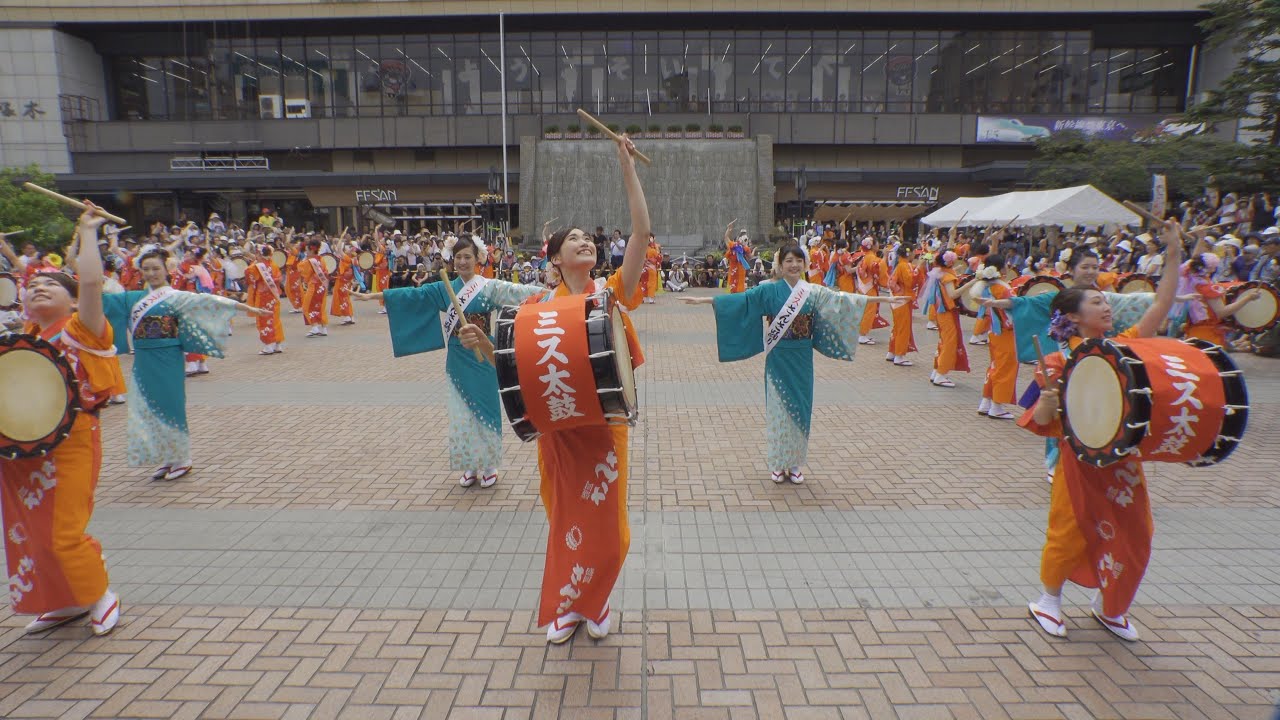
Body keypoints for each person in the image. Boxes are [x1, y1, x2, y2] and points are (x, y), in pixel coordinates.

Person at [456, 133, 649, 645]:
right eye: (574, 240)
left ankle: (597, 597)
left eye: (589, 238)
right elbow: (518, 365)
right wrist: (482, 345)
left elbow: (641, 231)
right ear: (558, 259)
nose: (586, 242)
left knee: (612, 529)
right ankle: (570, 603)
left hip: (606, 427)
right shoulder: (539, 309)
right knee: (566, 518)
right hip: (561, 430)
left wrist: (625, 166)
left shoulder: (611, 295)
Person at [1023, 220, 1184, 642]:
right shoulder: (1059, 362)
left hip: (1123, 461)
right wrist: (1050, 396)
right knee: (1069, 530)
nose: (1106, 305)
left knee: (1137, 533)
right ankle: (1049, 600)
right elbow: (1041, 422)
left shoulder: (1123, 347)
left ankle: (1111, 606)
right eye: (1097, 302)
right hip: (1079, 463)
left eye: (1105, 300)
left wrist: (1173, 253)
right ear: (1075, 317)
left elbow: (1161, 307)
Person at [3, 204, 127, 636]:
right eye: (32, 285)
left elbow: (91, 279)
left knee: (63, 530)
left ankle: (99, 593)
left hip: (71, 439)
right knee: (29, 532)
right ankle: (64, 599)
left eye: (49, 286)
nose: (37, 288)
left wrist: (89, 232)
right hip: (21, 448)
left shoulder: (81, 328)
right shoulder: (24, 341)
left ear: (72, 300)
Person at [686, 245, 903, 483]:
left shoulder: (812, 291)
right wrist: (704, 300)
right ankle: (779, 463)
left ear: (805, 263)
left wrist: (883, 298)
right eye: (789, 260)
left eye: (799, 260)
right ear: (780, 264)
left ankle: (796, 464)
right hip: (778, 356)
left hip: (801, 357)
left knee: (801, 408)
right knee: (778, 409)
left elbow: (843, 300)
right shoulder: (768, 291)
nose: (794, 265)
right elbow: (742, 301)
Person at [355, 235, 542, 488]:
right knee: (461, 411)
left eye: (468, 256)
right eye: (458, 257)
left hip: (484, 355)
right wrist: (374, 297)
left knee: (486, 408)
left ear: (478, 259)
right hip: (457, 356)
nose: (462, 261)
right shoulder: (445, 287)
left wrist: (553, 294)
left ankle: (488, 464)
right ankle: (468, 464)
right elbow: (413, 295)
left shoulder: (489, 287)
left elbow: (519, 293)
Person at [103, 246, 268, 481]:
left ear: (166, 270)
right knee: (150, 406)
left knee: (171, 404)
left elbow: (210, 301)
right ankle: (168, 456)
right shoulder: (132, 298)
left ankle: (183, 458)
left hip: (168, 355)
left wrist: (247, 308)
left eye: (156, 268)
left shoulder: (176, 296)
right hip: (143, 357)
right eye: (146, 269)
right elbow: (100, 302)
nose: (151, 273)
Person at [1173, 251, 1262, 346]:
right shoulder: (1208, 288)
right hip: (1207, 335)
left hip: (1195, 330)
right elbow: (1222, 312)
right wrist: (1248, 298)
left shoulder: (1191, 283)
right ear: (1211, 269)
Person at [920, 252, 975, 388]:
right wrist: (973, 282)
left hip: (941, 312)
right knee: (950, 342)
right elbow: (953, 294)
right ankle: (941, 374)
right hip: (947, 312)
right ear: (950, 262)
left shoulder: (939, 272)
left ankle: (937, 370)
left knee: (944, 342)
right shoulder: (947, 276)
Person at [973, 256, 1018, 419]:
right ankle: (997, 406)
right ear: (1000, 269)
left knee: (994, 366)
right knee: (1005, 367)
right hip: (1005, 331)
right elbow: (1013, 304)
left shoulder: (987, 286)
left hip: (995, 330)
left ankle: (986, 402)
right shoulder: (1000, 288)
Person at [244, 244, 286, 355]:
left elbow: (249, 276)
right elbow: (279, 278)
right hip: (274, 294)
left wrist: (254, 262)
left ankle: (269, 345)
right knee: (275, 318)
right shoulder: (273, 265)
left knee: (263, 319)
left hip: (263, 295)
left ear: (259, 254)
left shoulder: (256, 266)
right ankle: (277, 344)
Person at [885, 245, 918, 367]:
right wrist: (918, 271)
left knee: (898, 327)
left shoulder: (900, 265)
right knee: (903, 327)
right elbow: (910, 282)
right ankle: (899, 355)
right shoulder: (905, 266)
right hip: (903, 299)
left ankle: (892, 351)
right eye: (914, 252)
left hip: (897, 299)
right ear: (909, 254)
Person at [299, 240, 330, 337]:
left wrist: (304, 260)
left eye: (307, 250)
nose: (306, 252)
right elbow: (326, 272)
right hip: (322, 286)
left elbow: (301, 270)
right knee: (320, 306)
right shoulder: (321, 259)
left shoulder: (309, 261)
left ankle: (314, 327)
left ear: (311, 250)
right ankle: (323, 328)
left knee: (306, 307)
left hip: (314, 286)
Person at [330, 245, 356, 326]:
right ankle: (349, 316)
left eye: (347, 249)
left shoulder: (347, 258)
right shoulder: (349, 258)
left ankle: (347, 316)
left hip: (343, 281)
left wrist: (339, 243)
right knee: (345, 297)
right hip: (345, 280)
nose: (346, 250)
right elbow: (337, 249)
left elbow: (339, 249)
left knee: (342, 298)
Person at [724, 224, 753, 294]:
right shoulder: (746, 248)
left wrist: (729, 229)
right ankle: (739, 296)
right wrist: (754, 250)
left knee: (731, 282)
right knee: (740, 283)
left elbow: (726, 237)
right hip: (740, 268)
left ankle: (730, 295)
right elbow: (750, 257)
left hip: (733, 268)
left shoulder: (733, 246)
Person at [642, 234, 662, 304]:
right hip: (651, 268)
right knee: (651, 283)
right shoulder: (653, 250)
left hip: (643, 268)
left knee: (644, 283)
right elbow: (658, 257)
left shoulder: (642, 249)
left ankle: (643, 298)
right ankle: (651, 298)